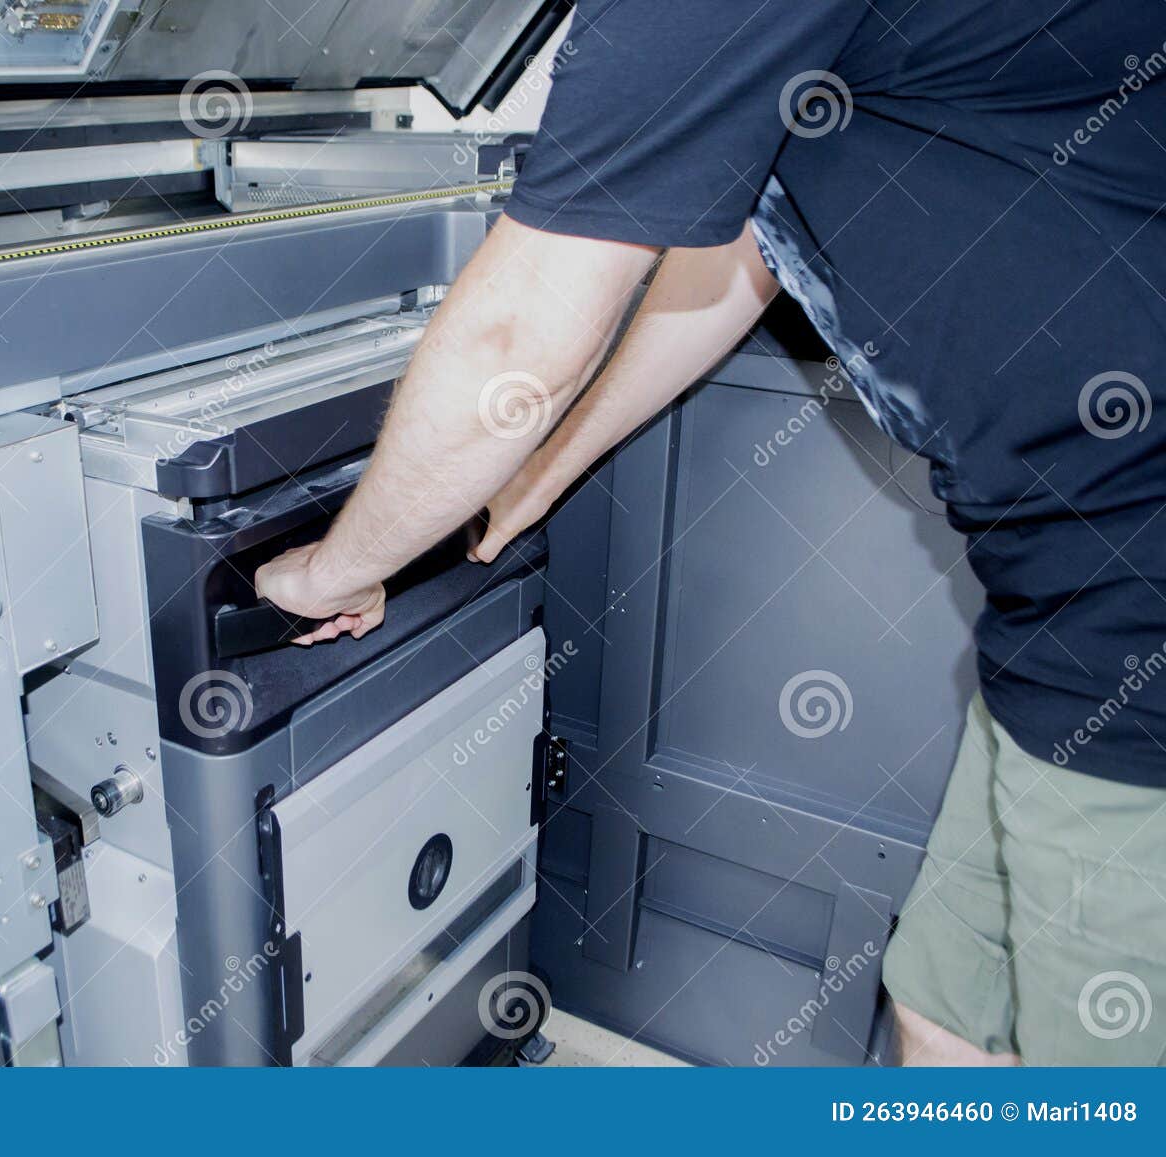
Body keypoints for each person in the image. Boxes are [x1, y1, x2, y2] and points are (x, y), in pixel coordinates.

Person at [255, 1, 1166, 1065]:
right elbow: (747, 249)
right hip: (1061, 590)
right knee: (940, 1005)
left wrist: (334, 569)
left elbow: (513, 333)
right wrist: (543, 467)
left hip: (1127, 594)